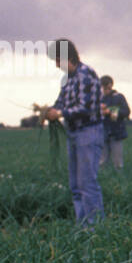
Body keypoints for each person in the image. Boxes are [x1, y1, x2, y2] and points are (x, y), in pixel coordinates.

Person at [43, 39, 104, 226]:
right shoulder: (67, 79)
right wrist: (48, 111)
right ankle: (82, 225)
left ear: (69, 57)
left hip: (88, 132)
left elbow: (87, 107)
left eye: (57, 60)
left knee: (87, 184)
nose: (56, 65)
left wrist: (60, 113)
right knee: (76, 185)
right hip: (74, 133)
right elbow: (60, 102)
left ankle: (94, 228)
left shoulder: (87, 74)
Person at [99, 75, 130, 170]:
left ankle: (119, 181)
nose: (105, 89)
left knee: (118, 162)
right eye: (103, 87)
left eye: (106, 86)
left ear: (111, 85)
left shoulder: (119, 97)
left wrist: (110, 111)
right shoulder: (98, 98)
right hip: (102, 132)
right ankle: (104, 180)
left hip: (116, 132)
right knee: (102, 161)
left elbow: (126, 111)